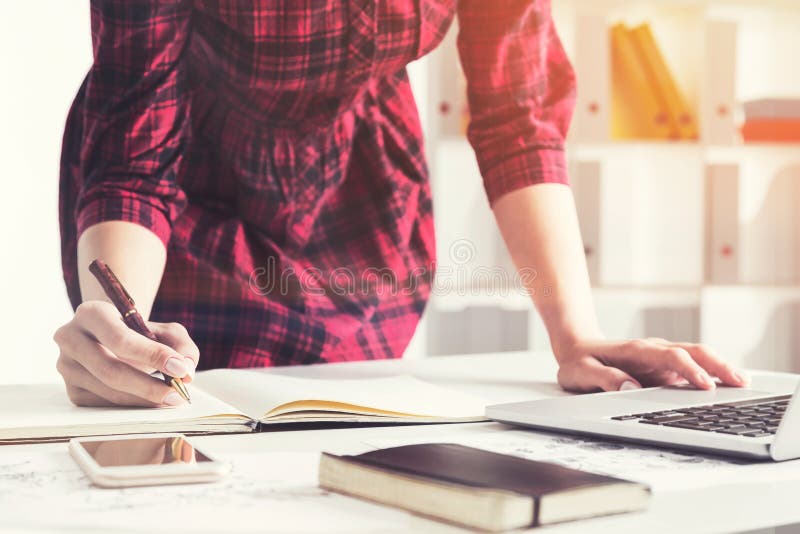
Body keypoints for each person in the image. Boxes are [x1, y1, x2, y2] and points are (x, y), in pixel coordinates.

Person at [54, 0, 748, 408]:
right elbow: (136, 148)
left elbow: (518, 117)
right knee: (177, 420)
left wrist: (575, 336)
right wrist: (114, 334)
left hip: (362, 201)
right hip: (185, 212)